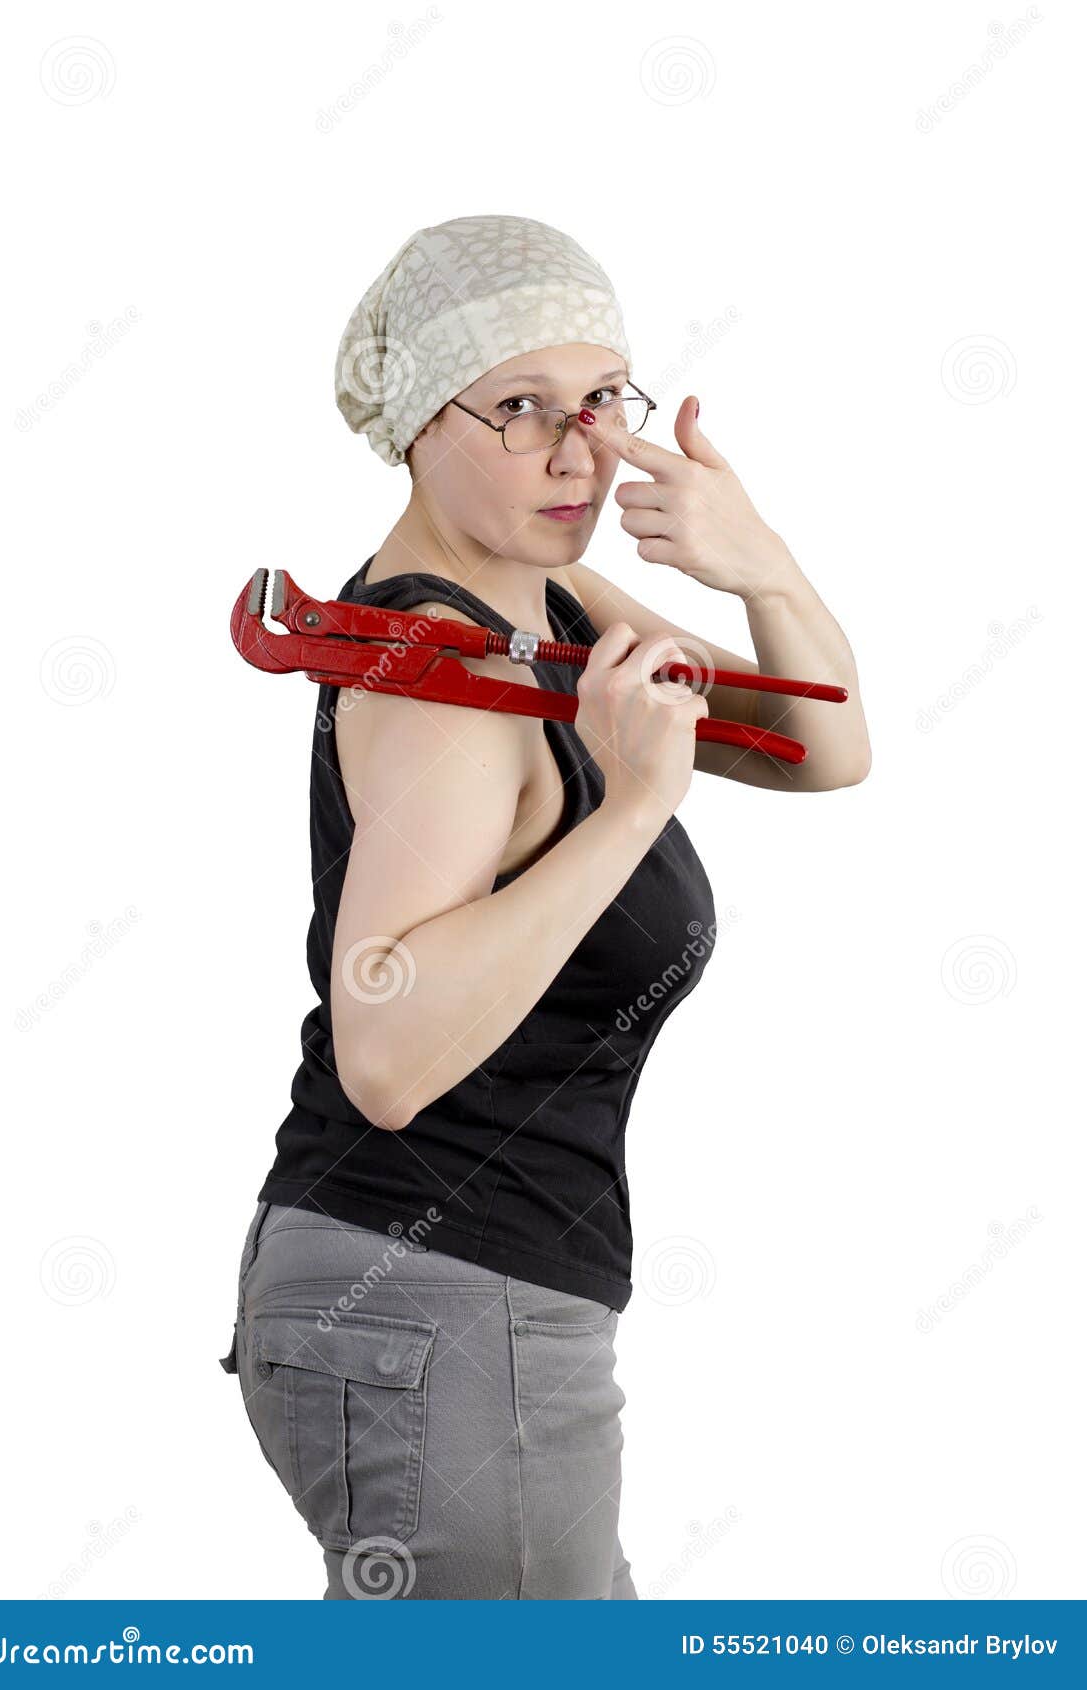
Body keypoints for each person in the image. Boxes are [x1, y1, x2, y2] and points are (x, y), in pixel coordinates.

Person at [218, 213, 871, 1601]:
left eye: (602, 399)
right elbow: (383, 1054)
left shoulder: (549, 598)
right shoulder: (437, 676)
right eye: (520, 408)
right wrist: (631, 804)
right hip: (438, 1300)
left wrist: (756, 564)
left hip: (451, 1304)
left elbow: (818, 747)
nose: (579, 450)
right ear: (415, 420)